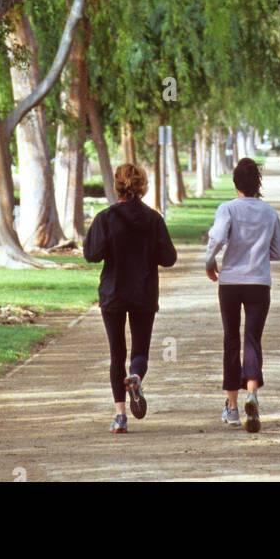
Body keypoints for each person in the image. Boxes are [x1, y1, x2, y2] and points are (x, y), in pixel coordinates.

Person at [83, 162, 177, 434]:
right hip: (144, 293)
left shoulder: (105, 218)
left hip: (113, 293)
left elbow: (91, 254)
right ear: (142, 187)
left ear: (117, 186)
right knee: (139, 351)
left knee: (116, 354)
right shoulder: (154, 219)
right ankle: (135, 376)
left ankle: (120, 416)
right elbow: (169, 258)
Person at [204, 158, 280, 433]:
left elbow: (216, 239)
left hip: (230, 283)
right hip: (259, 284)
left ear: (236, 183)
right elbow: (278, 253)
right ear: (257, 184)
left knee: (230, 340)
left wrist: (209, 262)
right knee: (252, 339)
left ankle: (233, 408)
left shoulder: (227, 209)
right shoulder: (270, 213)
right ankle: (252, 394)